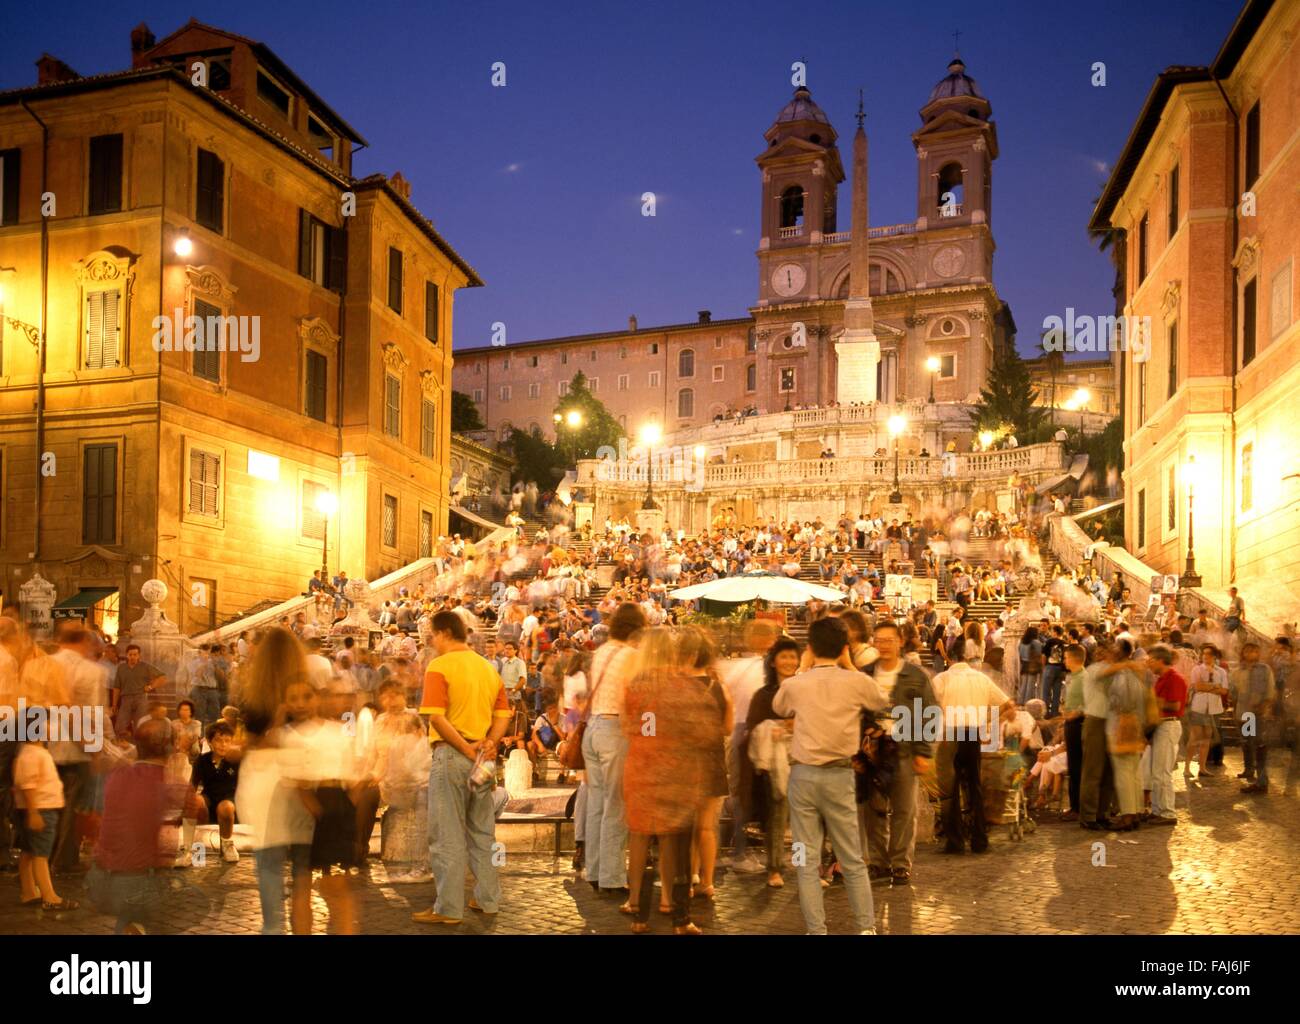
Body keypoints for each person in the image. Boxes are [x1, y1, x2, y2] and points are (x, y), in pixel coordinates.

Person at [773, 616, 887, 935]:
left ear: (809, 648)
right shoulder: (855, 681)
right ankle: (866, 928)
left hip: (802, 779)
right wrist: (849, 666)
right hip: (840, 776)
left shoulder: (796, 683)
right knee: (851, 857)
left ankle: (816, 930)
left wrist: (802, 669)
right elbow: (880, 699)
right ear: (844, 649)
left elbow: (779, 706)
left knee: (804, 858)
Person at [413, 611, 512, 926]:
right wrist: (490, 743)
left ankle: (448, 907)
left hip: (452, 755)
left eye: (432, 634)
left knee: (446, 834)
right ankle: (488, 900)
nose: (431, 641)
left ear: (443, 633)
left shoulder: (439, 666)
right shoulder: (488, 668)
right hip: (482, 758)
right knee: (483, 832)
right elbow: (504, 713)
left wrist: (465, 748)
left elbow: (436, 717)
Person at [621, 627, 717, 934]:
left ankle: (639, 914)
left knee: (643, 840)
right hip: (677, 773)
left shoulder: (636, 684)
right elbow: (703, 731)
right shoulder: (683, 686)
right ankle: (679, 917)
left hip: (641, 770)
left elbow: (629, 726)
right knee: (675, 846)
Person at [862, 620, 936, 887]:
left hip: (904, 749)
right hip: (874, 752)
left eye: (889, 640)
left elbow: (930, 714)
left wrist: (924, 752)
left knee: (905, 810)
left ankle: (900, 864)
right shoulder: (865, 673)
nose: (883, 645)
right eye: (878, 640)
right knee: (873, 810)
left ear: (900, 642)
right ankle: (879, 862)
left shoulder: (915, 676)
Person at [581, 602, 647, 896]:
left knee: (596, 804)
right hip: (614, 730)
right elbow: (633, 699)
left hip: (592, 730)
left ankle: (593, 871)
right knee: (615, 805)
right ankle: (611, 877)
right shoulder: (632, 656)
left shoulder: (602, 651)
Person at [932, 649, 1012, 853]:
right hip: (972, 734)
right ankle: (979, 839)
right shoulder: (981, 679)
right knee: (974, 786)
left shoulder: (942, 678)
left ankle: (955, 841)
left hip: (950, 734)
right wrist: (986, 719)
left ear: (949, 660)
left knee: (949, 790)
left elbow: (930, 706)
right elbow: (1007, 704)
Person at [718, 618, 778, 874]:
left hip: (738, 733)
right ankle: (747, 852)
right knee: (766, 794)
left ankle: (741, 850)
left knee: (743, 793)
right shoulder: (765, 668)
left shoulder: (733, 666)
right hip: (757, 734)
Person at [746, 636, 801, 888]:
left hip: (803, 759)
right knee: (777, 814)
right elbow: (752, 727)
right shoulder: (764, 694)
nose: (789, 661)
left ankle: (802, 867)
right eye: (784, 656)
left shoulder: (805, 688)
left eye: (793, 656)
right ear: (773, 662)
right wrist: (775, 727)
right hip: (774, 763)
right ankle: (775, 868)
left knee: (804, 818)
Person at [14, 734, 77, 912]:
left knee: (29, 851)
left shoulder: (32, 751)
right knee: (41, 855)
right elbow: (28, 785)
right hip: (41, 809)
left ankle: (29, 892)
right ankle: (49, 897)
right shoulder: (33, 754)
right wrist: (34, 813)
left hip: (38, 808)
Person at [1141, 645, 1186, 825]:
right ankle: (1157, 809)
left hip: (1168, 725)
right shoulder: (1160, 679)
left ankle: (1167, 812)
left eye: (1151, 661)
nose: (1148, 664)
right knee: (1155, 772)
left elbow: (1175, 706)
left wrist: (1154, 702)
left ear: (1160, 660)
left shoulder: (1174, 679)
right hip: (1159, 726)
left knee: (1163, 772)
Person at [1230, 642, 1276, 795]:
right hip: (1244, 713)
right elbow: (1234, 693)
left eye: (1254, 651)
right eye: (1248, 651)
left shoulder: (1264, 670)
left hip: (1259, 714)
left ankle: (1262, 782)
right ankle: (1249, 770)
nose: (1251, 654)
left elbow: (1270, 691)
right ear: (1243, 653)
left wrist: (1264, 707)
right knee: (1247, 742)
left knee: (1260, 747)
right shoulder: (1238, 672)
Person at [1185, 645, 1228, 782]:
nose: (1206, 657)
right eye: (1204, 654)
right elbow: (1197, 686)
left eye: (1209, 654)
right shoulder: (1197, 669)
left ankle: (1202, 767)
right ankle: (1187, 767)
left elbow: (1224, 690)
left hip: (1214, 708)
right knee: (1195, 737)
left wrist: (1208, 687)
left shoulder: (1221, 671)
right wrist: (1215, 686)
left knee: (1206, 739)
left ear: (1214, 656)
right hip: (1199, 706)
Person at [110, 645, 165, 739]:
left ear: (139, 655)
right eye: (130, 654)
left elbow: (162, 677)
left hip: (141, 698)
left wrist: (151, 686)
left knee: (140, 725)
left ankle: (140, 748)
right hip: (126, 699)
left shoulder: (145, 666)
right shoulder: (121, 668)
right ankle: (120, 748)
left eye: (135, 654)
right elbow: (117, 687)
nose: (132, 657)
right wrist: (114, 704)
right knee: (120, 726)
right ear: (127, 655)